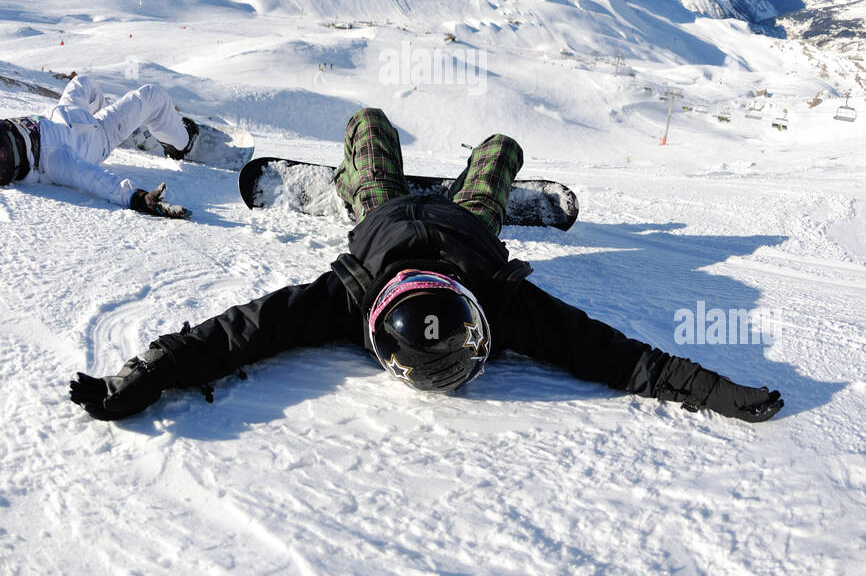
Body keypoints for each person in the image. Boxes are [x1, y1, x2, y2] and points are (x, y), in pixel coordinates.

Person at [69, 107, 784, 422]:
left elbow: (237, 334)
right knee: (500, 147)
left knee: (370, 125)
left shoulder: (346, 293)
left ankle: (356, 185)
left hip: (381, 211)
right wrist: (718, 391)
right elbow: (620, 358)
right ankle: (396, 183)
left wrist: (146, 374)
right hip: (471, 220)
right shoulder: (502, 304)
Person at [1, 72, 196, 218]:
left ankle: (127, 126)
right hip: (99, 132)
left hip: (68, 113)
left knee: (83, 82)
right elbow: (94, 179)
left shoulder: (25, 139)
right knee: (151, 95)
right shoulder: (56, 159)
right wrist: (140, 199)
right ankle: (181, 143)